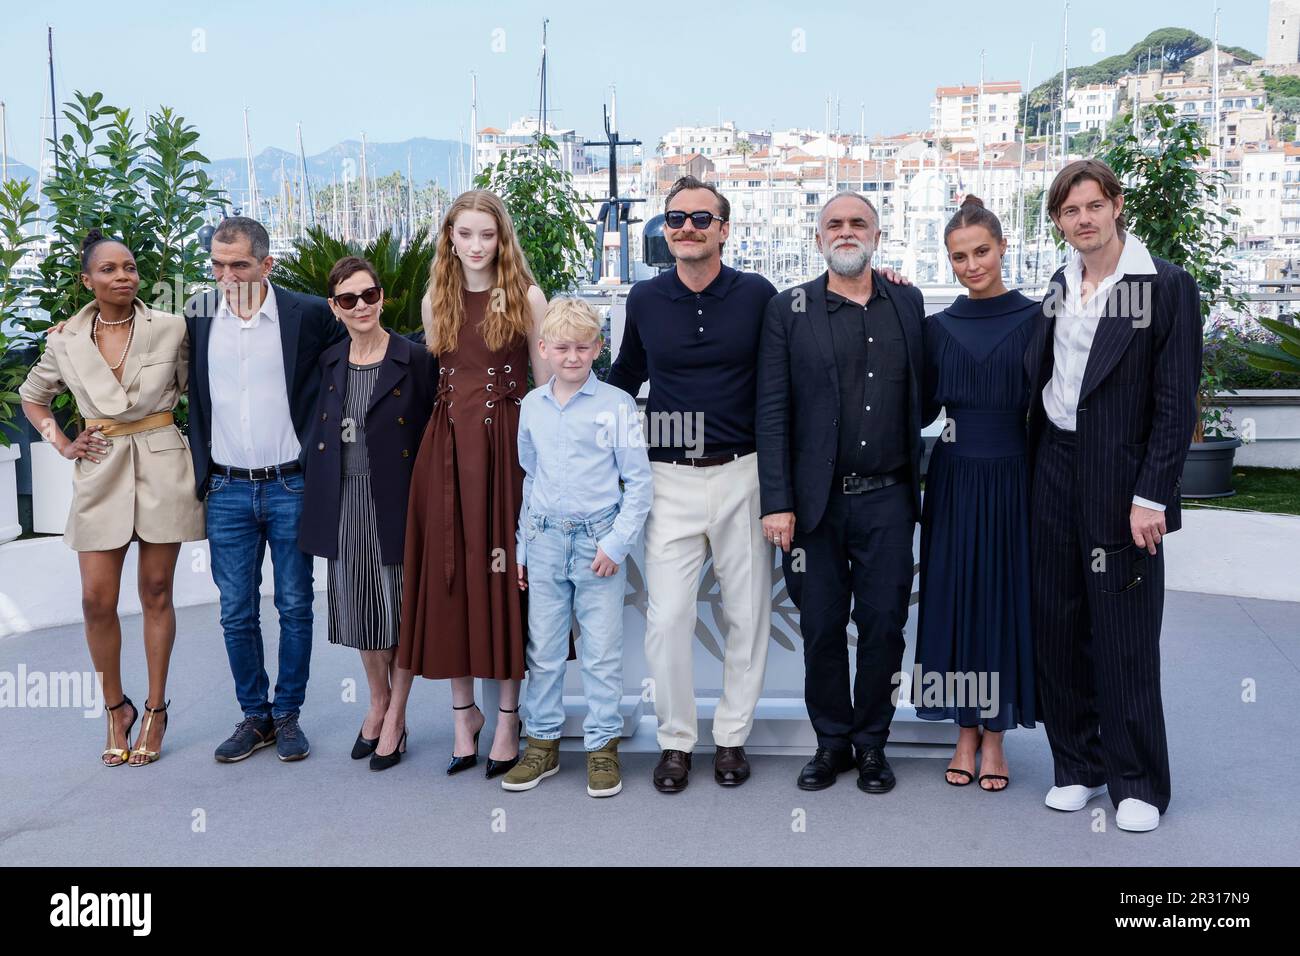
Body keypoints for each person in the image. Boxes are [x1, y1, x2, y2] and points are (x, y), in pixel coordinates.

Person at [1026, 159, 1201, 832]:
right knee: (1059, 626)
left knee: (1124, 634)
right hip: (1054, 465)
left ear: (1116, 204)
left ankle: (1138, 784)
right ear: (1060, 221)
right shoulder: (1059, 282)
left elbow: (1174, 400)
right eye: (1070, 212)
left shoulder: (1162, 286)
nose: (1084, 219)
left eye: (1093, 205)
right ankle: (1078, 766)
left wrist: (1152, 496)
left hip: (1123, 480)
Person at [606, 175, 778, 792]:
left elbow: (782, 382)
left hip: (745, 473)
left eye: (700, 220)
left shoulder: (760, 295)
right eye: (675, 219)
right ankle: (675, 742)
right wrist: (564, 407)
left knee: (748, 614)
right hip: (668, 477)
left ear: (724, 231)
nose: (685, 229)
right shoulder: (646, 300)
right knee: (668, 618)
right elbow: (625, 376)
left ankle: (731, 739)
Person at [756, 192, 929, 794]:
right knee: (822, 628)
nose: (846, 231)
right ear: (818, 238)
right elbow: (772, 411)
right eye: (835, 224)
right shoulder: (788, 309)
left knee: (884, 627)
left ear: (877, 235)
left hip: (889, 498)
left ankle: (873, 744)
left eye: (858, 223)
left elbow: (925, 396)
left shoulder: (907, 302)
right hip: (812, 507)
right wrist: (776, 501)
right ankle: (831, 744)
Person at [20, 228, 204, 766]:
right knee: (96, 599)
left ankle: (155, 709)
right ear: (87, 280)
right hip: (100, 467)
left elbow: (204, 386)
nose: (122, 276)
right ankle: (114, 708)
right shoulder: (64, 341)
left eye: (128, 267)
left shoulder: (171, 327)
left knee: (156, 590)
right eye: (108, 269)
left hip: (163, 460)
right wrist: (62, 443)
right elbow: (35, 400)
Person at [184, 216, 348, 763]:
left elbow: (366, 341)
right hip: (227, 489)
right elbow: (135, 326)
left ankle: (288, 714)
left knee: (296, 605)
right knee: (235, 611)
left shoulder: (304, 313)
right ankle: (254, 717)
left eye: (239, 265)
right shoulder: (199, 312)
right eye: (217, 265)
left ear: (266, 264)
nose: (226, 276)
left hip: (291, 485)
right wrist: (76, 324)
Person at [400, 189, 548, 779]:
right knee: (450, 575)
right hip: (445, 449)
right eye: (466, 234)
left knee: (505, 577)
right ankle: (465, 716)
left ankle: (508, 717)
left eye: (488, 234)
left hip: (506, 446)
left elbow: (544, 393)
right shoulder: (437, 296)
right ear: (450, 238)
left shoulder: (528, 297)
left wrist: (543, 468)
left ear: (502, 237)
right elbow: (441, 373)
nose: (478, 245)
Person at [503, 297, 653, 797]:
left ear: (598, 348)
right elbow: (531, 477)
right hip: (545, 539)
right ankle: (541, 744)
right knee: (543, 649)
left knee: (602, 652)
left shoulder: (616, 405)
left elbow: (639, 483)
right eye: (561, 347)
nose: (571, 357)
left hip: (597, 544)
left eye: (582, 347)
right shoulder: (531, 407)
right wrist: (523, 547)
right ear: (542, 349)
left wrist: (615, 544)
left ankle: (602, 747)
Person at [913, 196, 1039, 792]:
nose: (971, 265)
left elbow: (1057, 410)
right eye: (959, 257)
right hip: (955, 477)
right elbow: (919, 411)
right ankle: (964, 730)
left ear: (1002, 247)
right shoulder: (934, 328)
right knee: (955, 601)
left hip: (1017, 477)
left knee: (1003, 602)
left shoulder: (1042, 320)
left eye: (981, 252)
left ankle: (996, 736)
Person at [298, 257, 436, 771]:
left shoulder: (415, 358)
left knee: (397, 613)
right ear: (334, 308)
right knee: (360, 613)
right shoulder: (330, 362)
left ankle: (396, 716)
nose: (362, 306)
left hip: (395, 499)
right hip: (342, 500)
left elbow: (430, 434)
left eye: (369, 295)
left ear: (384, 297)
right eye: (349, 299)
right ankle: (376, 701)